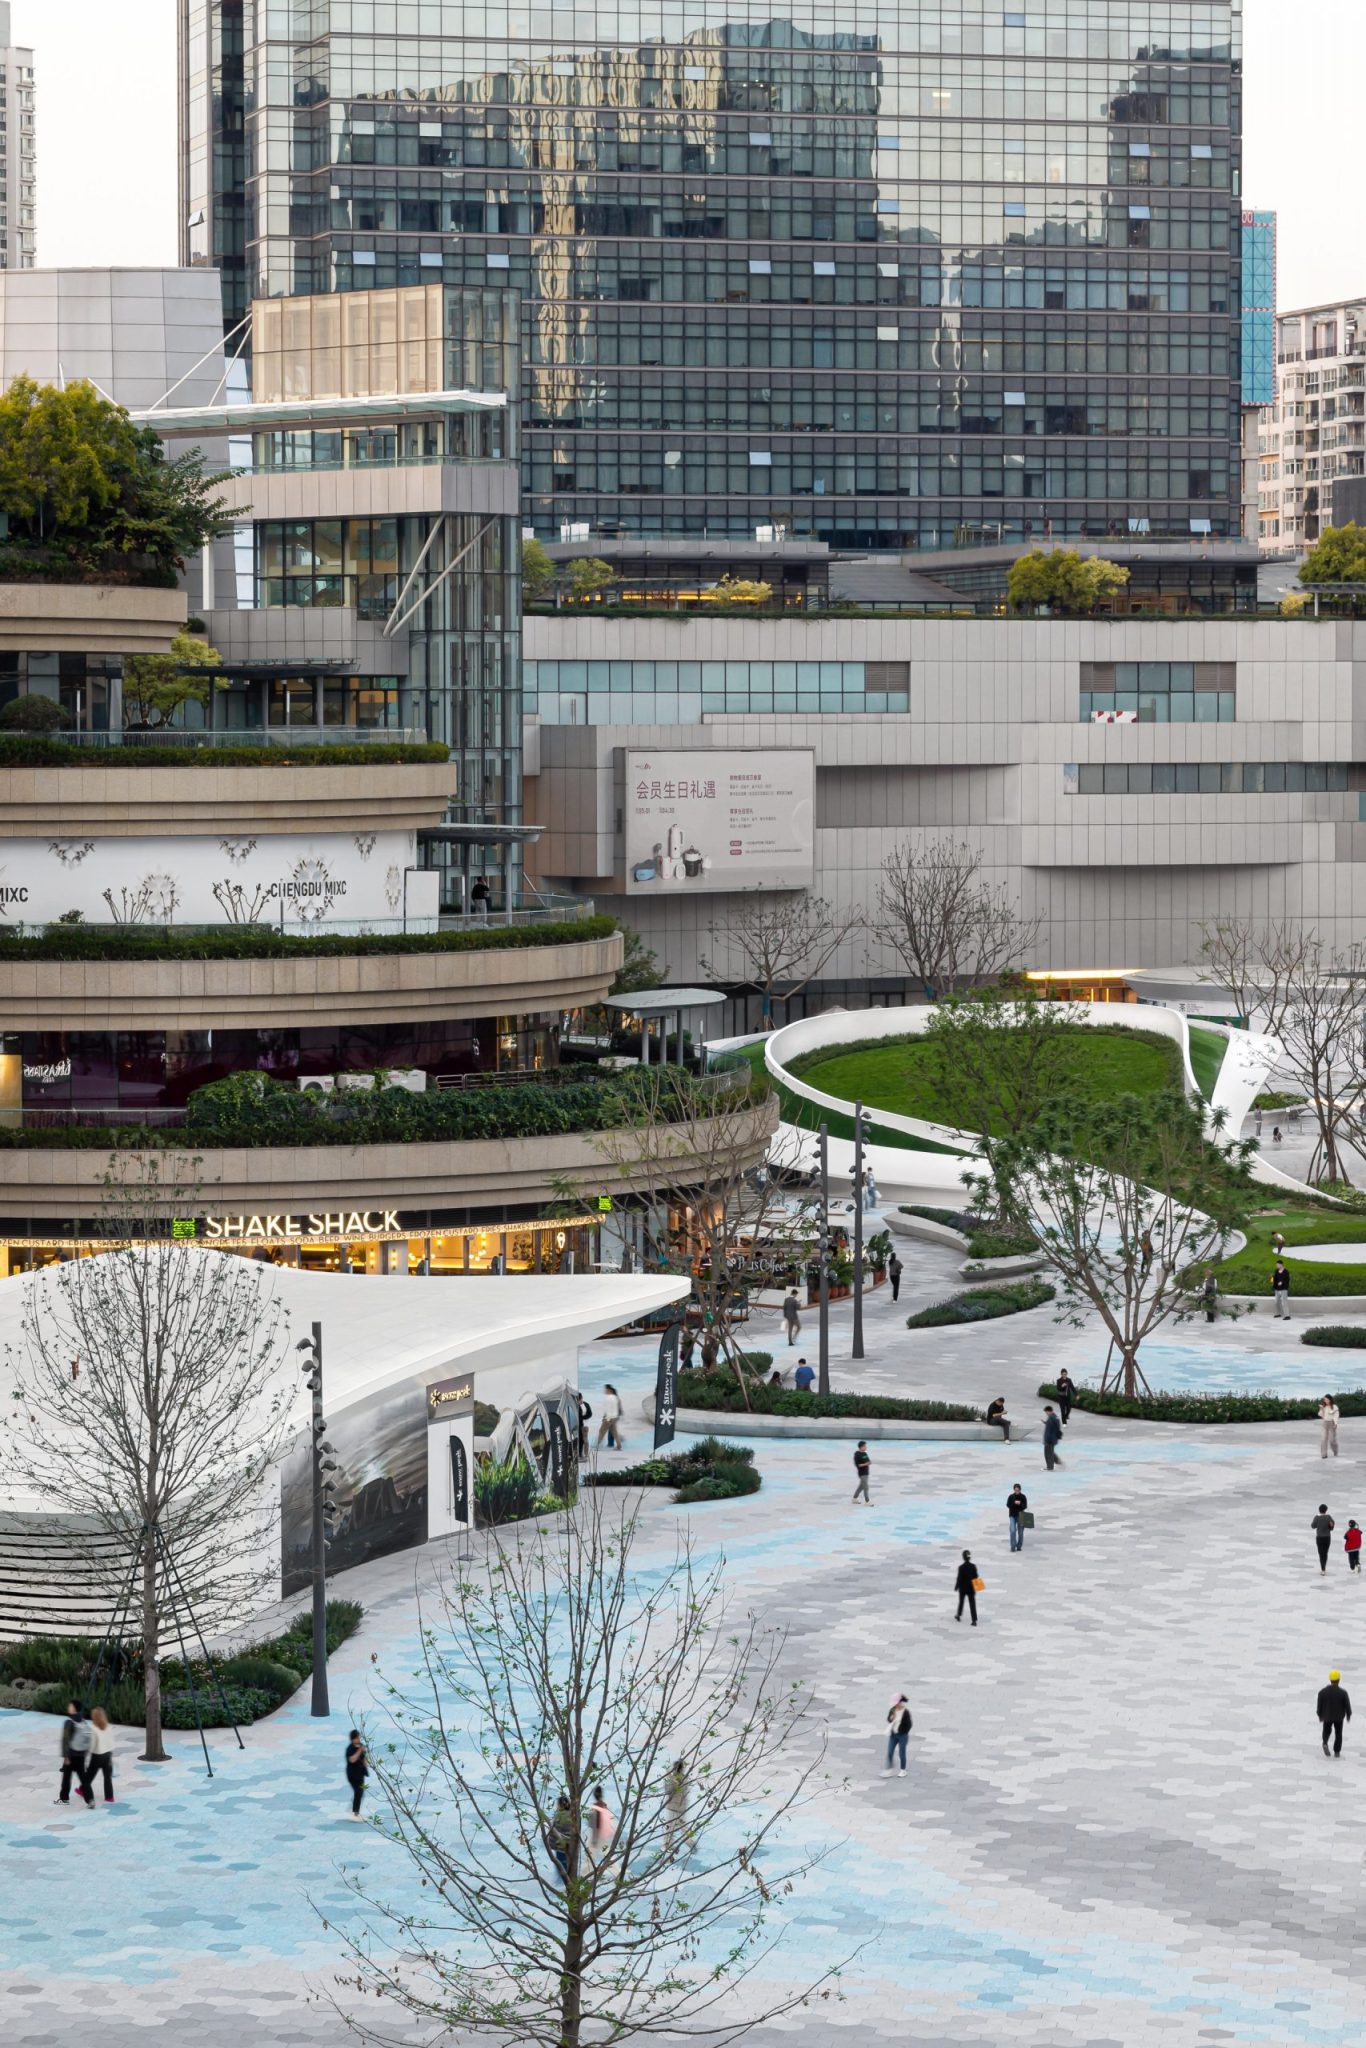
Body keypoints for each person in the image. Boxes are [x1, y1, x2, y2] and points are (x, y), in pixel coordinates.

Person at [57, 1701, 94, 1807]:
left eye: (70, 1706)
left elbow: (65, 1740)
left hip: (71, 1755)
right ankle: (90, 1800)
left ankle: (63, 1799)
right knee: (84, 1779)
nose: (68, 1707)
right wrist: (84, 1753)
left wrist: (66, 1756)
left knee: (66, 1779)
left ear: (74, 1708)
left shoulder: (69, 1722)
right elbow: (88, 1740)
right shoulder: (83, 1722)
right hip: (81, 1756)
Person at [1318, 1669, 1351, 1757]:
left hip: (1327, 1716)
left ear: (1330, 1679)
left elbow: (1319, 1705)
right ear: (1339, 1680)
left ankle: (1325, 1742)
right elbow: (1347, 1705)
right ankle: (1337, 1751)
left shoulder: (1322, 1692)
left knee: (1326, 1730)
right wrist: (1348, 1714)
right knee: (1338, 1733)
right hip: (1339, 1717)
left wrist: (1320, 1715)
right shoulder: (1343, 1693)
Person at [86, 1707, 115, 1804]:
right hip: (108, 1754)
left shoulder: (93, 1729)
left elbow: (91, 1745)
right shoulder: (108, 1726)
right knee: (107, 1777)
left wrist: (86, 1758)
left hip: (97, 1756)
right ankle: (109, 1797)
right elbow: (111, 1741)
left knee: (89, 1775)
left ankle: (83, 1790)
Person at [546, 1793, 578, 1881]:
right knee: (569, 1865)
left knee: (561, 1866)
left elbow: (554, 1831)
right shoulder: (574, 1815)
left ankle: (564, 1883)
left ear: (560, 1805)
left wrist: (550, 1843)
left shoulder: (558, 1816)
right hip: (571, 1845)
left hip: (560, 1846)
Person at [585, 1785, 616, 1871]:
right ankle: (618, 1873)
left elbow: (595, 1826)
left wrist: (594, 1840)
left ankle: (584, 1875)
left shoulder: (595, 1809)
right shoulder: (605, 1806)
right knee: (608, 1857)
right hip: (604, 1834)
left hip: (595, 1835)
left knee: (589, 1857)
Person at [663, 1759, 688, 1857]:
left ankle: (667, 1845)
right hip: (681, 1806)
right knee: (682, 1826)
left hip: (673, 1806)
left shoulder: (672, 1778)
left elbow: (668, 1790)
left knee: (670, 1827)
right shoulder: (684, 1778)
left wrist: (669, 1778)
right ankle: (690, 1841)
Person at [884, 1694, 912, 1776]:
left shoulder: (905, 1712)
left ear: (900, 1702)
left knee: (901, 1753)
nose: (894, 1705)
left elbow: (909, 1725)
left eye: (896, 1703)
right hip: (893, 1735)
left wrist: (902, 1731)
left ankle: (903, 1770)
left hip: (903, 1735)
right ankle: (889, 1769)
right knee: (890, 1751)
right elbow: (889, 1719)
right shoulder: (892, 1710)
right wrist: (891, 1718)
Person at [345, 1730, 369, 1818]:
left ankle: (355, 1808)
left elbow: (364, 1758)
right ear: (353, 1739)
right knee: (358, 1791)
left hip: (360, 1773)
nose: (359, 1739)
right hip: (352, 1774)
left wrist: (366, 1764)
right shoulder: (350, 1749)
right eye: (357, 1737)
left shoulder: (361, 1746)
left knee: (360, 1792)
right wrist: (360, 1750)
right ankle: (356, 1811)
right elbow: (352, 1759)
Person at [954, 1550, 979, 1625]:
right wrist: (977, 1587)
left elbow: (959, 1578)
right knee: (972, 1604)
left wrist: (956, 1586)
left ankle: (958, 1615)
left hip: (963, 1588)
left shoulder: (961, 1567)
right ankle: (974, 1620)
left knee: (961, 1602)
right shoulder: (973, 1566)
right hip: (971, 1588)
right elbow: (976, 1577)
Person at [596, 1383, 623, 1450]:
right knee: (614, 1432)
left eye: (605, 1389)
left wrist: (606, 1419)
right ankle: (619, 1445)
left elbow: (609, 1409)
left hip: (609, 1418)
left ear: (609, 1390)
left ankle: (598, 1445)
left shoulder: (609, 1398)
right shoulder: (615, 1398)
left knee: (602, 1431)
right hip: (614, 1417)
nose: (604, 1391)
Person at [1312, 1504, 1335, 1574]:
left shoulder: (1317, 1517)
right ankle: (1324, 1568)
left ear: (1319, 1510)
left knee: (1321, 1553)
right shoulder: (1328, 1517)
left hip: (1319, 1538)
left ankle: (1323, 1569)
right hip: (1327, 1537)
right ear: (1326, 1510)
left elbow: (1313, 1526)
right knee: (1325, 1552)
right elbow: (1332, 1527)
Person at [1007, 1482, 1029, 1551]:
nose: (1016, 1491)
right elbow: (1008, 1505)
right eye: (1015, 1490)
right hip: (1012, 1515)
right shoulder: (1011, 1497)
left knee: (1020, 1532)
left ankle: (1019, 1546)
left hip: (1021, 1516)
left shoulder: (1023, 1497)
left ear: (1020, 1490)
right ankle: (1013, 1546)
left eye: (1018, 1490)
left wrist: (1020, 1504)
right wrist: (1014, 1503)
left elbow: (1025, 1506)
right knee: (1012, 1530)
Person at [1042, 1405, 1064, 1471]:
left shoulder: (1051, 1418)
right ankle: (1057, 1460)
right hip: (1053, 1439)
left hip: (1050, 1439)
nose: (1046, 1414)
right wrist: (1046, 1422)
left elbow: (1051, 1430)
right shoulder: (1055, 1417)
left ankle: (1050, 1467)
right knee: (1050, 1452)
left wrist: (1048, 1440)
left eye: (1046, 1412)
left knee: (1048, 1453)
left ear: (1049, 1411)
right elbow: (1056, 1427)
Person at [1319, 1395, 1341, 1459]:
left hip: (1332, 1424)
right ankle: (1324, 1454)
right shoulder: (1324, 1407)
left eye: (1327, 1400)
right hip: (1325, 1424)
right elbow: (1322, 1417)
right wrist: (1322, 1409)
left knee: (1332, 1440)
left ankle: (1335, 1450)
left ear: (1330, 1400)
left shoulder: (1334, 1407)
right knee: (1323, 1439)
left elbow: (1336, 1415)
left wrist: (1336, 1423)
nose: (1326, 1401)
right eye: (1324, 1400)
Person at [852, 1439, 871, 1505]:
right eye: (865, 1446)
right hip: (862, 1473)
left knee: (861, 1487)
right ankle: (867, 1501)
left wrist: (868, 1463)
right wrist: (866, 1464)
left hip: (866, 1473)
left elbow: (869, 1461)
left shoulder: (865, 1453)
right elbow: (858, 1465)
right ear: (861, 1447)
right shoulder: (857, 1455)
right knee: (866, 1487)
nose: (866, 1447)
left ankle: (854, 1498)